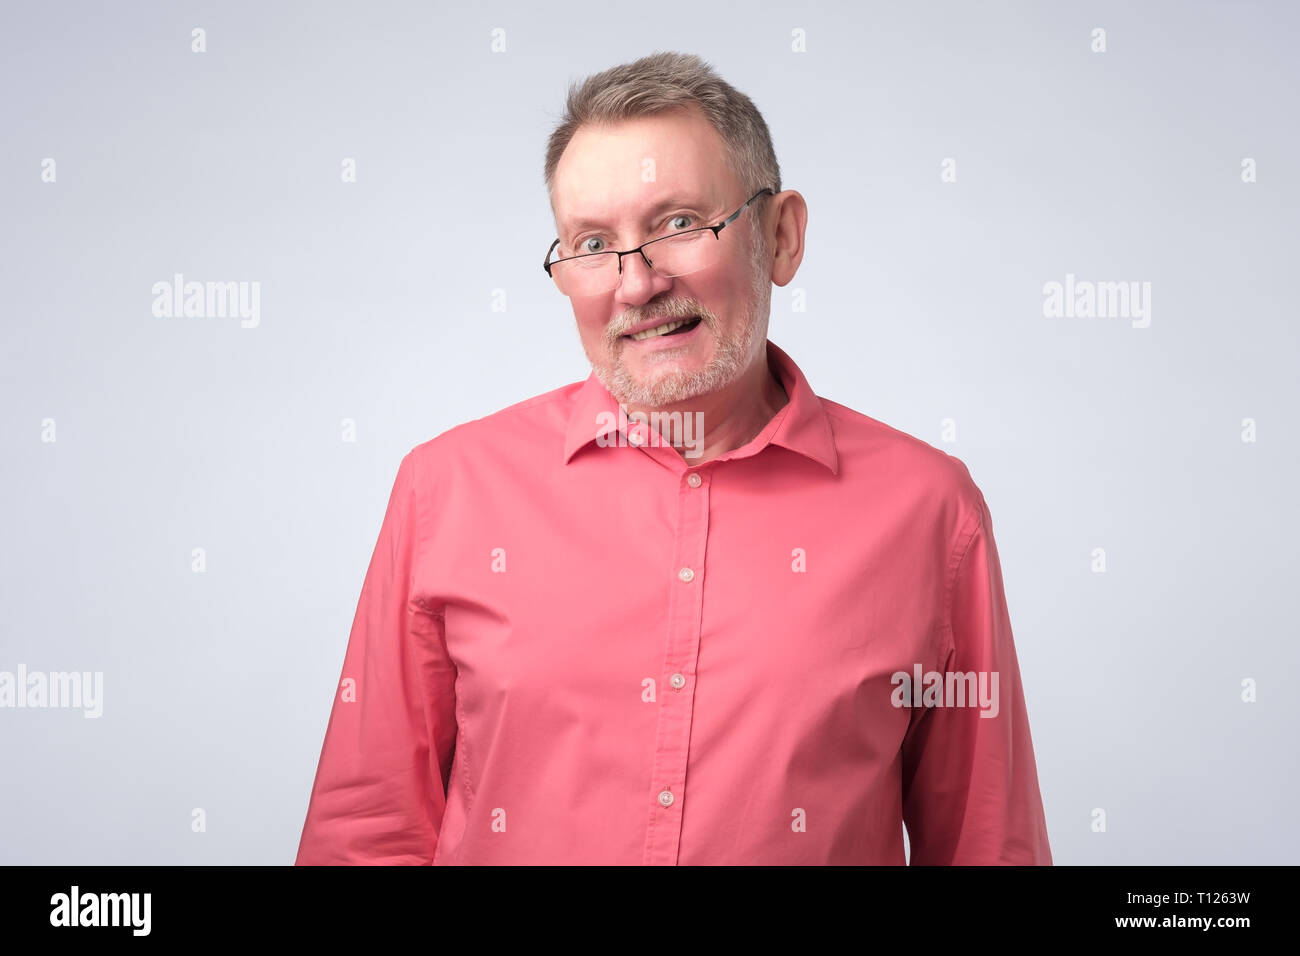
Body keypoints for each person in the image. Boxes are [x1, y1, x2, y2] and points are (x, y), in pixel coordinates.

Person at [294, 51, 1052, 865]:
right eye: (591, 242)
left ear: (781, 236)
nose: (635, 283)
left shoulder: (930, 512)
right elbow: (367, 834)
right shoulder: (446, 490)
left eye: (679, 225)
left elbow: (986, 843)